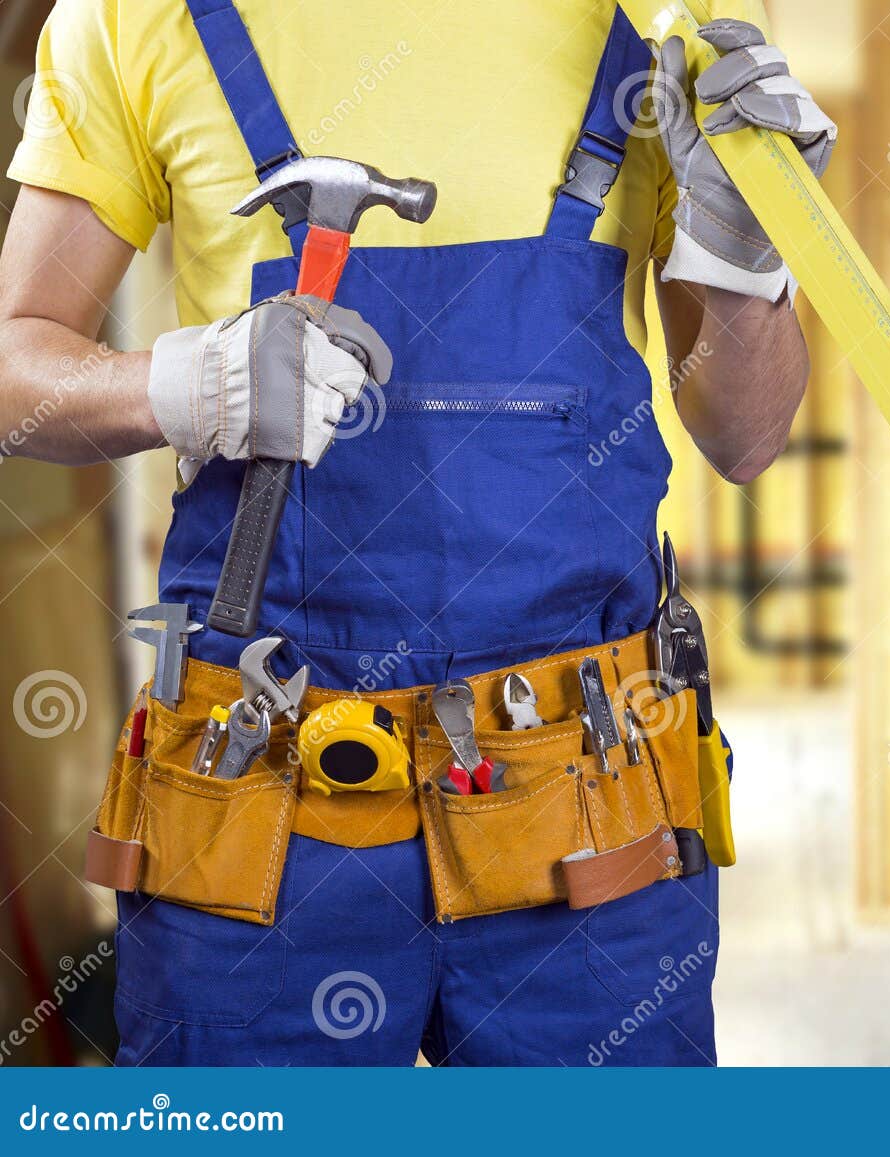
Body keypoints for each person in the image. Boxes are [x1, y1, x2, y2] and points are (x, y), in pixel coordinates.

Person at [0, 0, 835, 1066]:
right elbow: (14, 365)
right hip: (257, 803)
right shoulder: (133, 15)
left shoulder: (670, 18)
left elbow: (751, 436)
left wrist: (743, 259)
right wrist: (182, 382)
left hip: (586, 798)